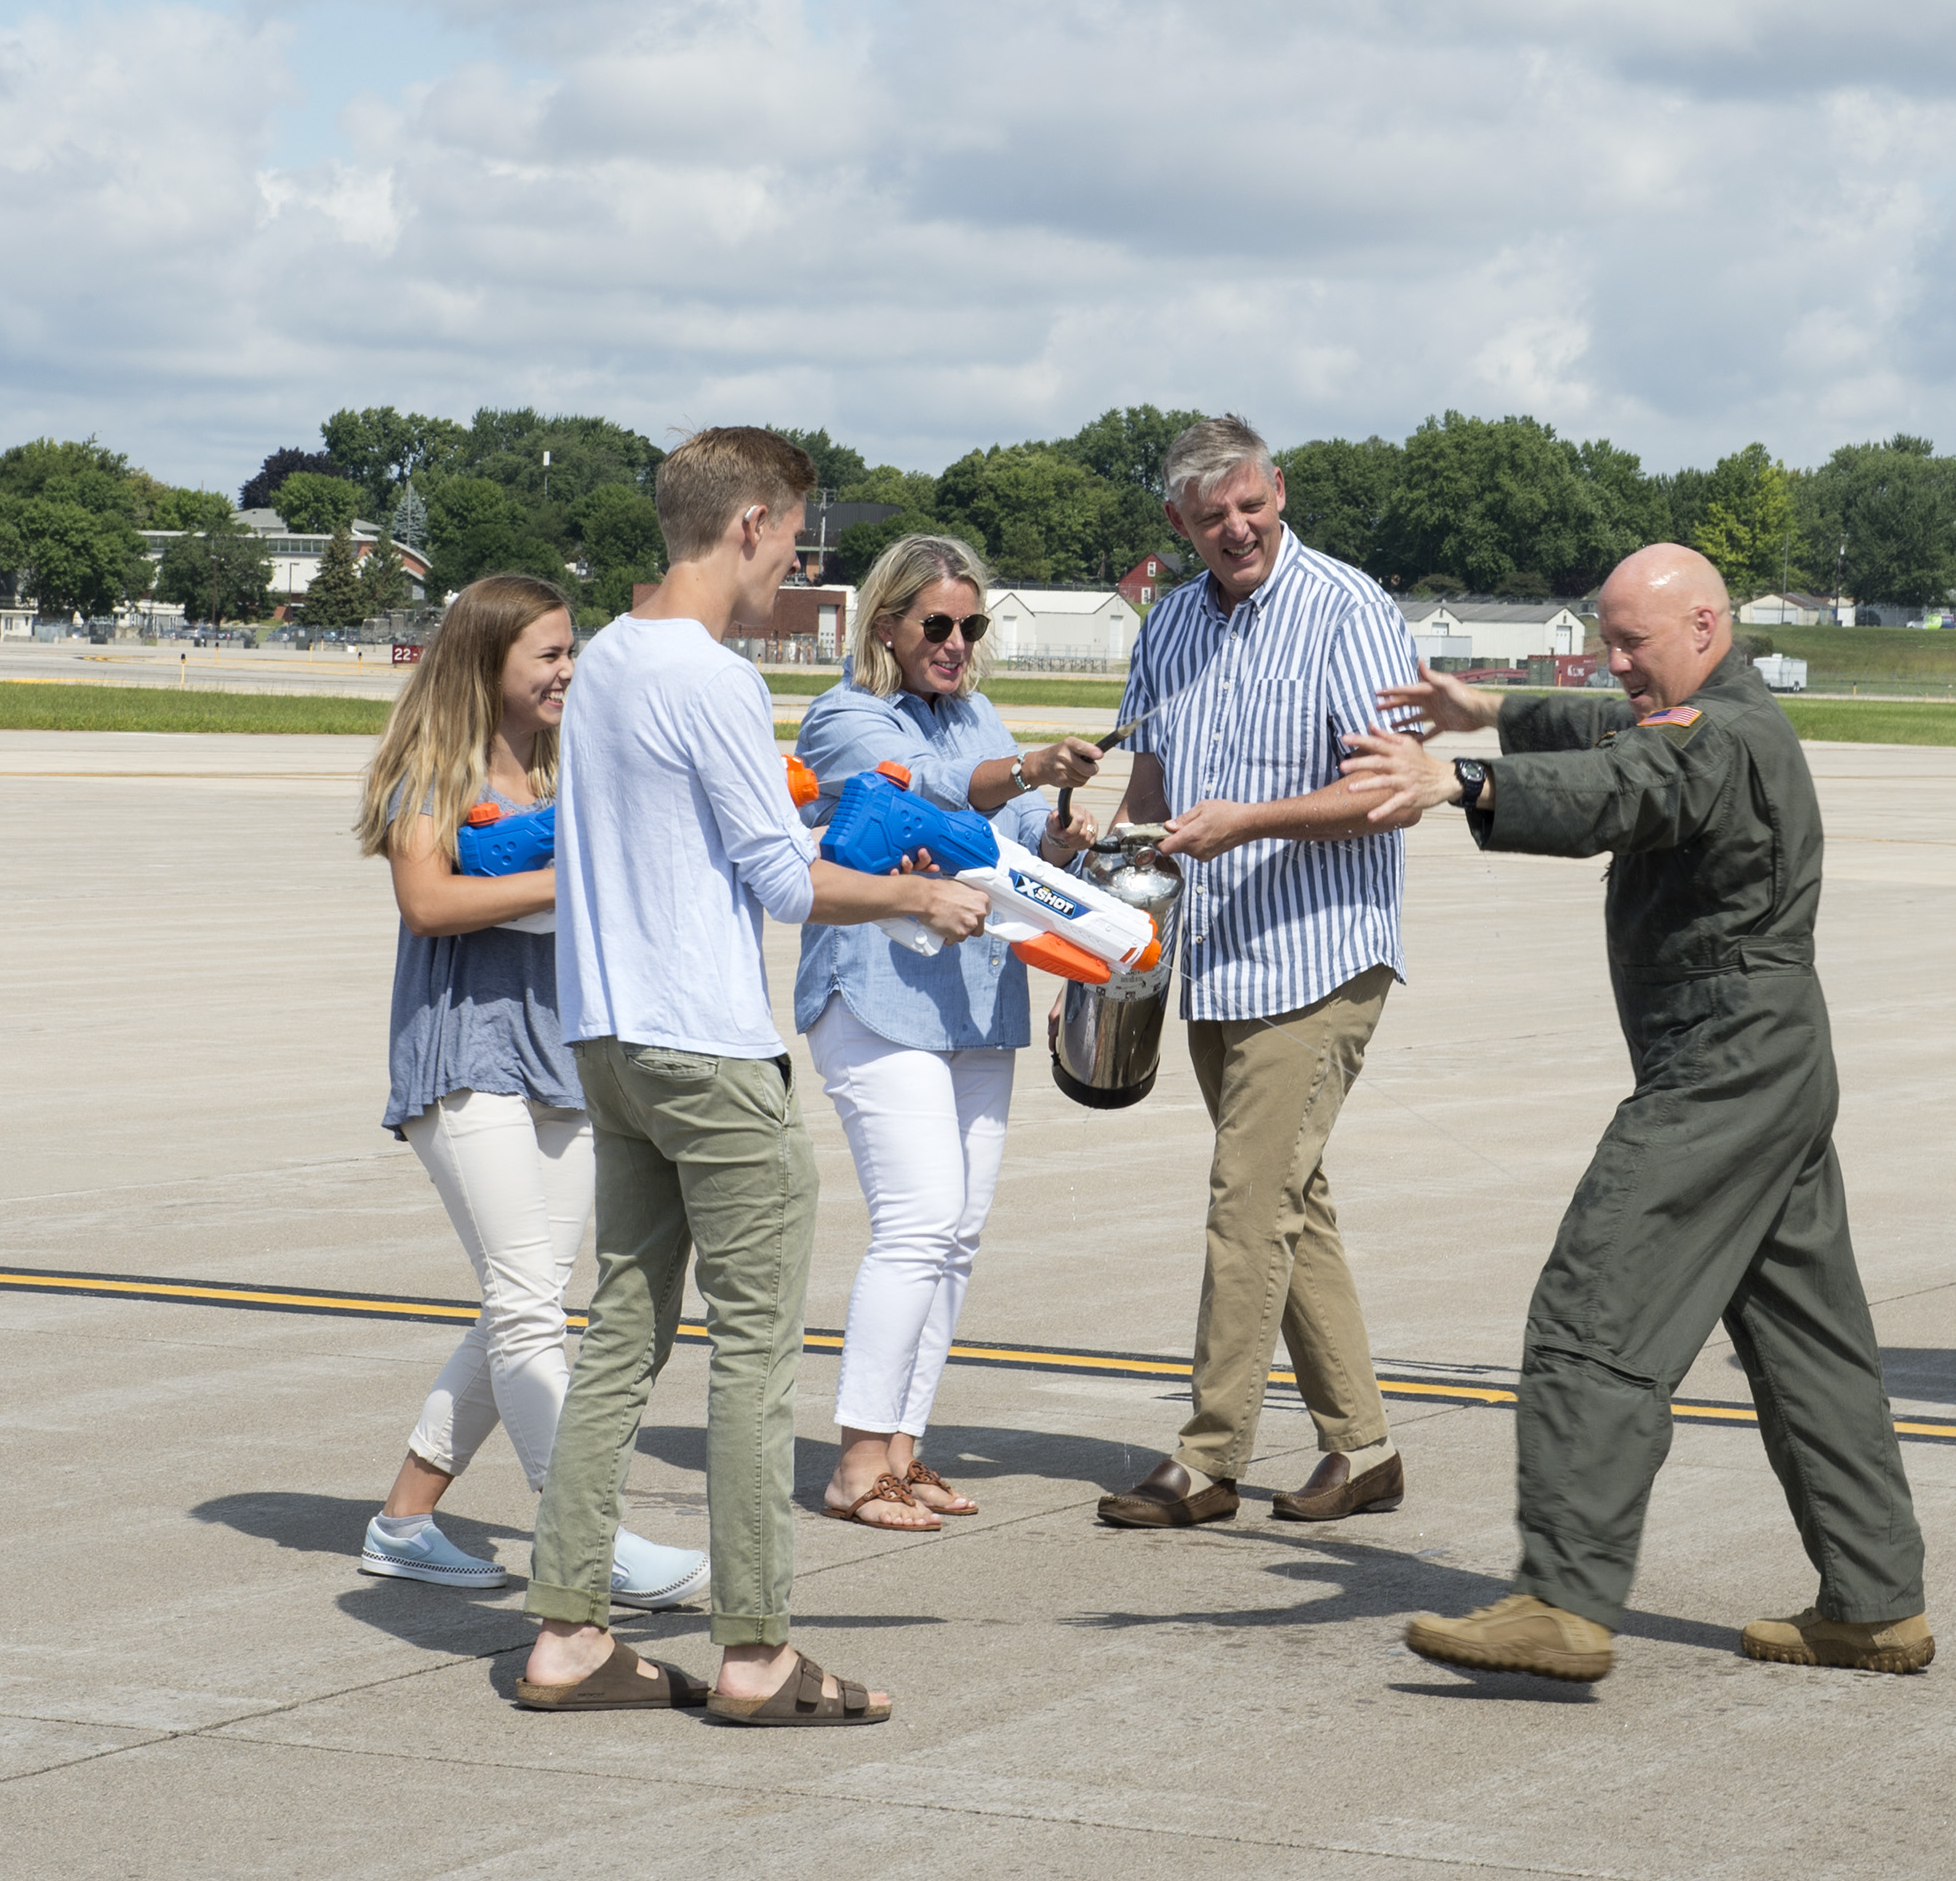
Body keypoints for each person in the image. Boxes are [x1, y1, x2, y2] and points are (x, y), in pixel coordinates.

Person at [1344, 543, 1932, 1684]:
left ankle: (1564, 1598)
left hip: (1723, 1064)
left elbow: (1631, 784)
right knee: (1808, 1341)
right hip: (1772, 1059)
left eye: (1632, 643)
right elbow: (1614, 737)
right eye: (1601, 640)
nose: (1611, 663)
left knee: (1598, 1296)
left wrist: (1465, 782)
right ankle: (1873, 1603)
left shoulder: (1719, 738)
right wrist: (1490, 710)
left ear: (1707, 628)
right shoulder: (1716, 712)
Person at [514, 429, 992, 1725]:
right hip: (709, 1049)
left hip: (608, 1039)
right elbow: (784, 879)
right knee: (752, 1357)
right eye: (795, 535)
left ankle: (565, 1629)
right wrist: (918, 893)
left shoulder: (605, 660)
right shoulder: (714, 681)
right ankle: (758, 1648)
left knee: (621, 1331)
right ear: (748, 525)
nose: (803, 557)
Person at [350, 573, 706, 1610]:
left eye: (572, 649)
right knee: (524, 1308)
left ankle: (404, 1519)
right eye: (548, 653)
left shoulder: (565, 763)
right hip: (465, 1054)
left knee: (525, 1305)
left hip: (561, 1054)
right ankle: (583, 1535)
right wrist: (581, 875)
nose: (568, 669)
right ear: (489, 660)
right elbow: (427, 901)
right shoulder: (436, 763)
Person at [1092, 414, 1412, 1530]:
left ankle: (1208, 1456)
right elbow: (1151, 793)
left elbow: (1386, 789)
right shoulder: (1170, 624)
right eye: (1212, 515)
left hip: (1320, 954)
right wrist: (1093, 871)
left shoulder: (1348, 607)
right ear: (1176, 523)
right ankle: (1362, 1449)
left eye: (1252, 504)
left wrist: (1252, 823)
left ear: (1279, 489)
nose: (1238, 528)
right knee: (1287, 1201)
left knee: (1245, 1203)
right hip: (1212, 959)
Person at [793, 531, 1101, 1534]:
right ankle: (854, 1464)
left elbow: (1001, 849)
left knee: (955, 1237)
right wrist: (1020, 768)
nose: (958, 642)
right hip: (876, 995)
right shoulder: (844, 717)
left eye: (972, 626)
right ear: (887, 622)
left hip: (974, 1003)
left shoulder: (978, 716)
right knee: (918, 1221)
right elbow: (929, 793)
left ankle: (903, 1449)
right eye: (938, 623)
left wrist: (1053, 839)